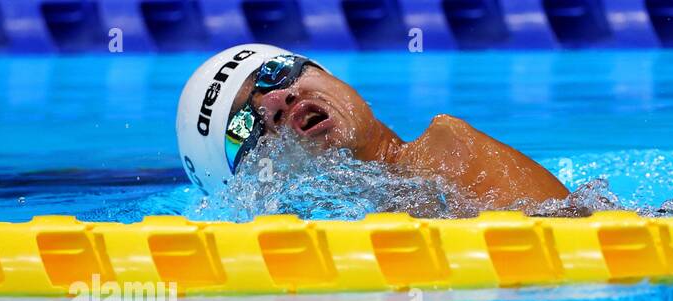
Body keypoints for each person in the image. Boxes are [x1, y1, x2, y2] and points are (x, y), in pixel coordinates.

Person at [175, 45, 568, 210]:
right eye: (242, 126)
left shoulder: (448, 153)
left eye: (274, 74)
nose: (278, 101)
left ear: (330, 78)